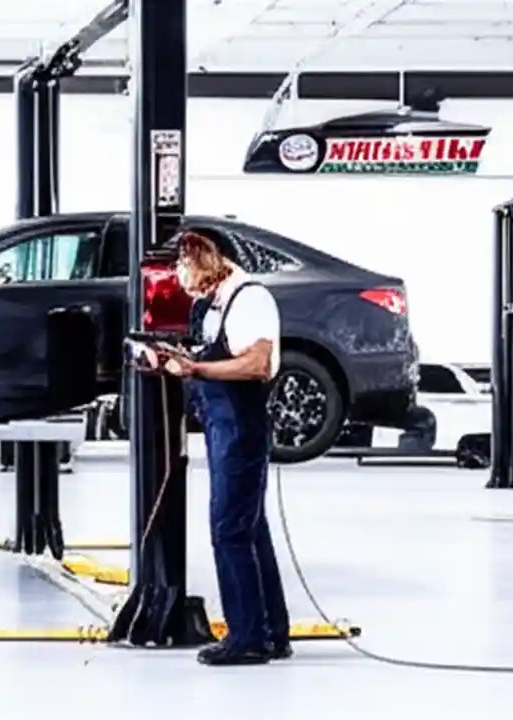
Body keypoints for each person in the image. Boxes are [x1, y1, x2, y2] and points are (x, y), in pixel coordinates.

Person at [161, 230, 292, 666]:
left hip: (242, 428)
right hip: (222, 427)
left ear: (208, 259)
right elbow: (213, 355)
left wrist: (196, 367)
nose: (179, 274)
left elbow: (255, 364)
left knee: (229, 530)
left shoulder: (249, 299)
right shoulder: (211, 303)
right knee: (249, 527)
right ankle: (271, 631)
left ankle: (247, 639)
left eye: (184, 264)